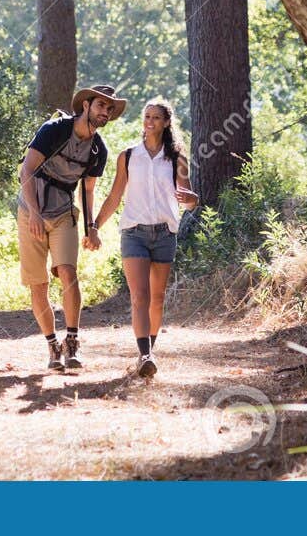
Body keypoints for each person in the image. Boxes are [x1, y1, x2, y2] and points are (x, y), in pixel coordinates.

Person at [86, 98, 199, 377]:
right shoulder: (128, 156)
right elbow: (115, 196)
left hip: (164, 233)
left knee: (157, 298)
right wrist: (95, 225)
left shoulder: (177, 160)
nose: (150, 121)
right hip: (134, 232)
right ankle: (145, 354)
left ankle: (150, 351)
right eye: (147, 116)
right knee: (140, 296)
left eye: (156, 117)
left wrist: (193, 200)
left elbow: (188, 199)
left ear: (166, 123)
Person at [17, 83, 125, 372]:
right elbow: (26, 170)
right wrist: (36, 215)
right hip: (32, 209)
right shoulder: (54, 129)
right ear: (86, 105)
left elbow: (88, 190)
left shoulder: (98, 149)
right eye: (101, 105)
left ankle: (72, 342)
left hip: (64, 211)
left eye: (110, 108)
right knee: (39, 283)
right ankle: (52, 346)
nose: (106, 111)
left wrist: (92, 227)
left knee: (68, 272)